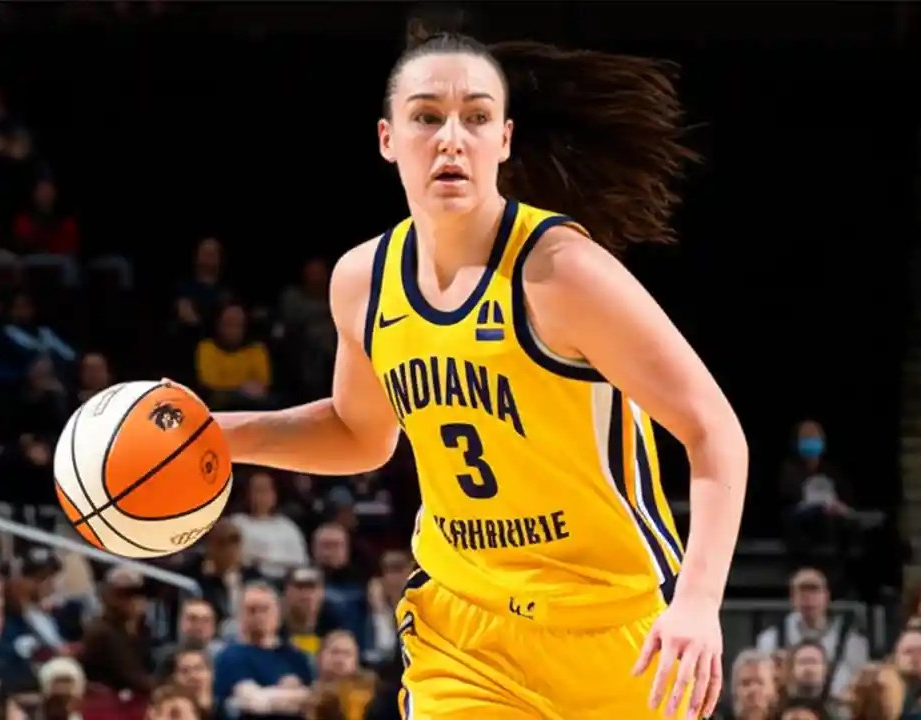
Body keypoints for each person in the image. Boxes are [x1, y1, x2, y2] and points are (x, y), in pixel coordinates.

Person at [189, 20, 746, 720]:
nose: (451, 137)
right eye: (426, 117)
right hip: (466, 628)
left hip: (616, 630)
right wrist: (213, 436)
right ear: (388, 138)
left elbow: (715, 433)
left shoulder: (563, 273)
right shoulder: (364, 280)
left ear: (503, 140)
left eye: (475, 117)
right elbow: (361, 433)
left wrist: (698, 602)